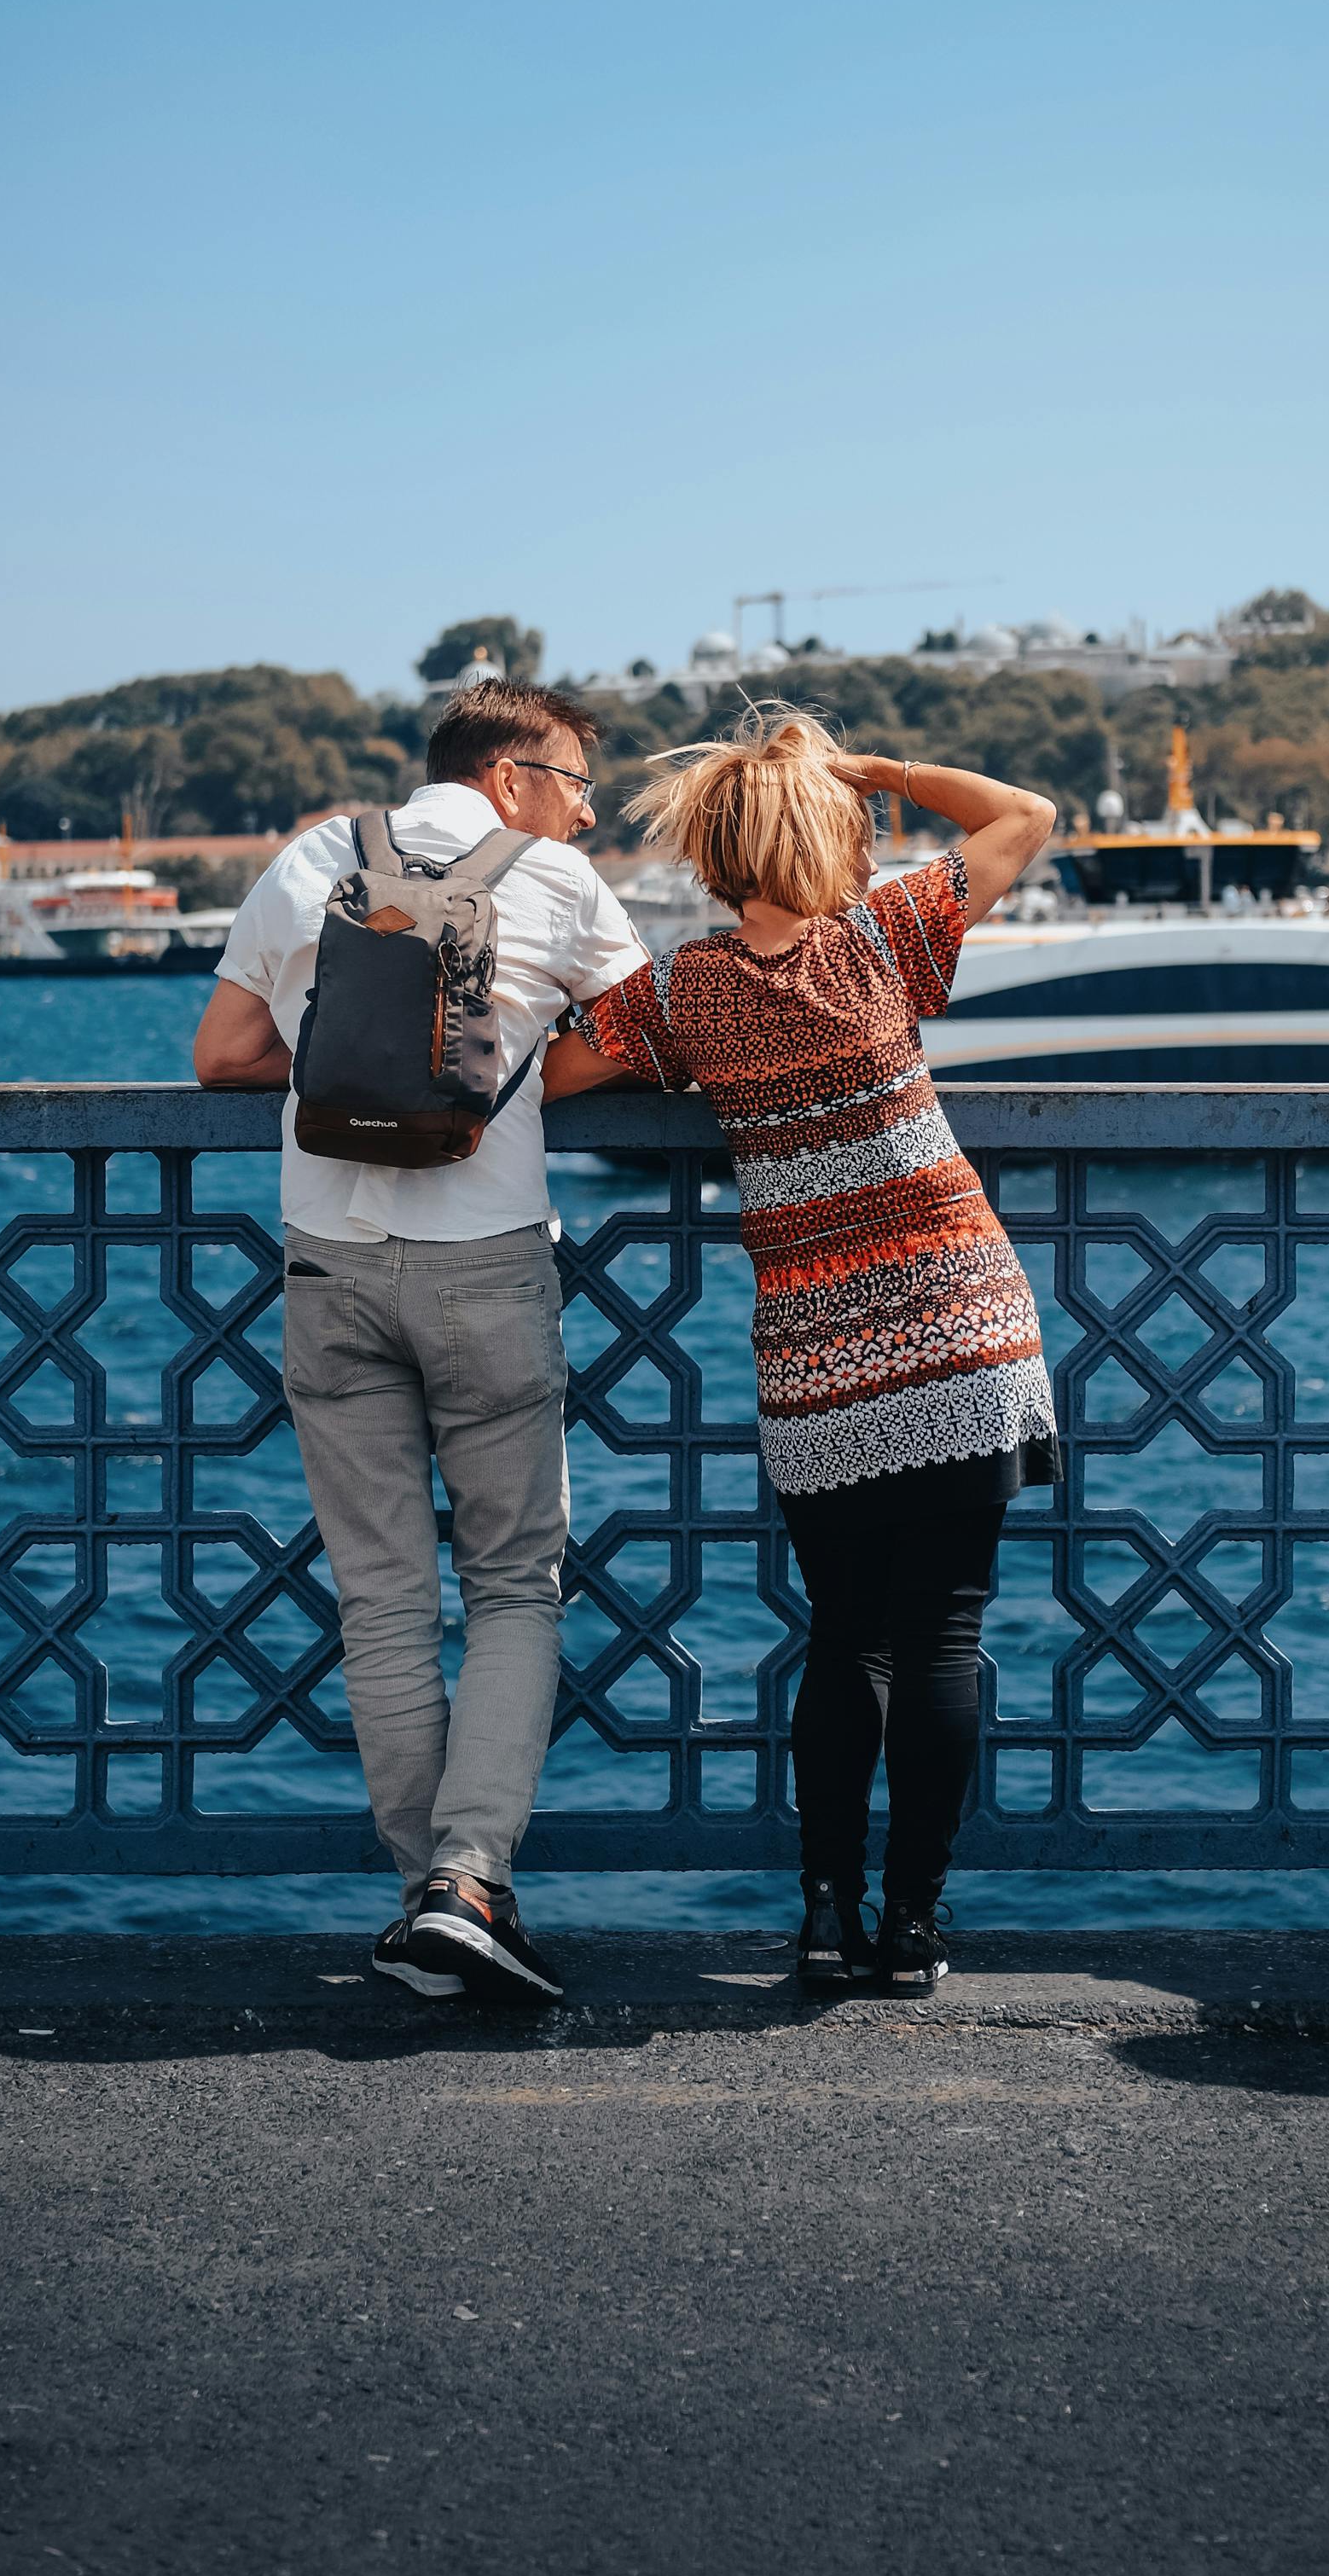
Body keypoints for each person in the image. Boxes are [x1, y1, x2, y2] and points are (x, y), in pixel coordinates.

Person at [543, 713, 1059, 1995]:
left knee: (846, 1640)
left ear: (717, 854)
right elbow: (1026, 815)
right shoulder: (885, 935)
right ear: (828, 838)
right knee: (942, 1637)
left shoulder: (682, 994)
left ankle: (826, 1917)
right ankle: (914, 1927)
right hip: (960, 1323)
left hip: (818, 1353)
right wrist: (873, 769)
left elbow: (545, 1076)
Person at [194, 683, 644, 2006]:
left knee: (384, 1597)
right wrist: (503, 1066)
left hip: (327, 1261)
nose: (585, 816)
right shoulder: (556, 881)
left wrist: (350, 1059)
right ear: (511, 777)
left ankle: (423, 1909)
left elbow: (221, 1054)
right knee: (511, 1587)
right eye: (576, 785)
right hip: (485, 1264)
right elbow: (640, 1041)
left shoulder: (312, 857)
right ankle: (468, 1880)